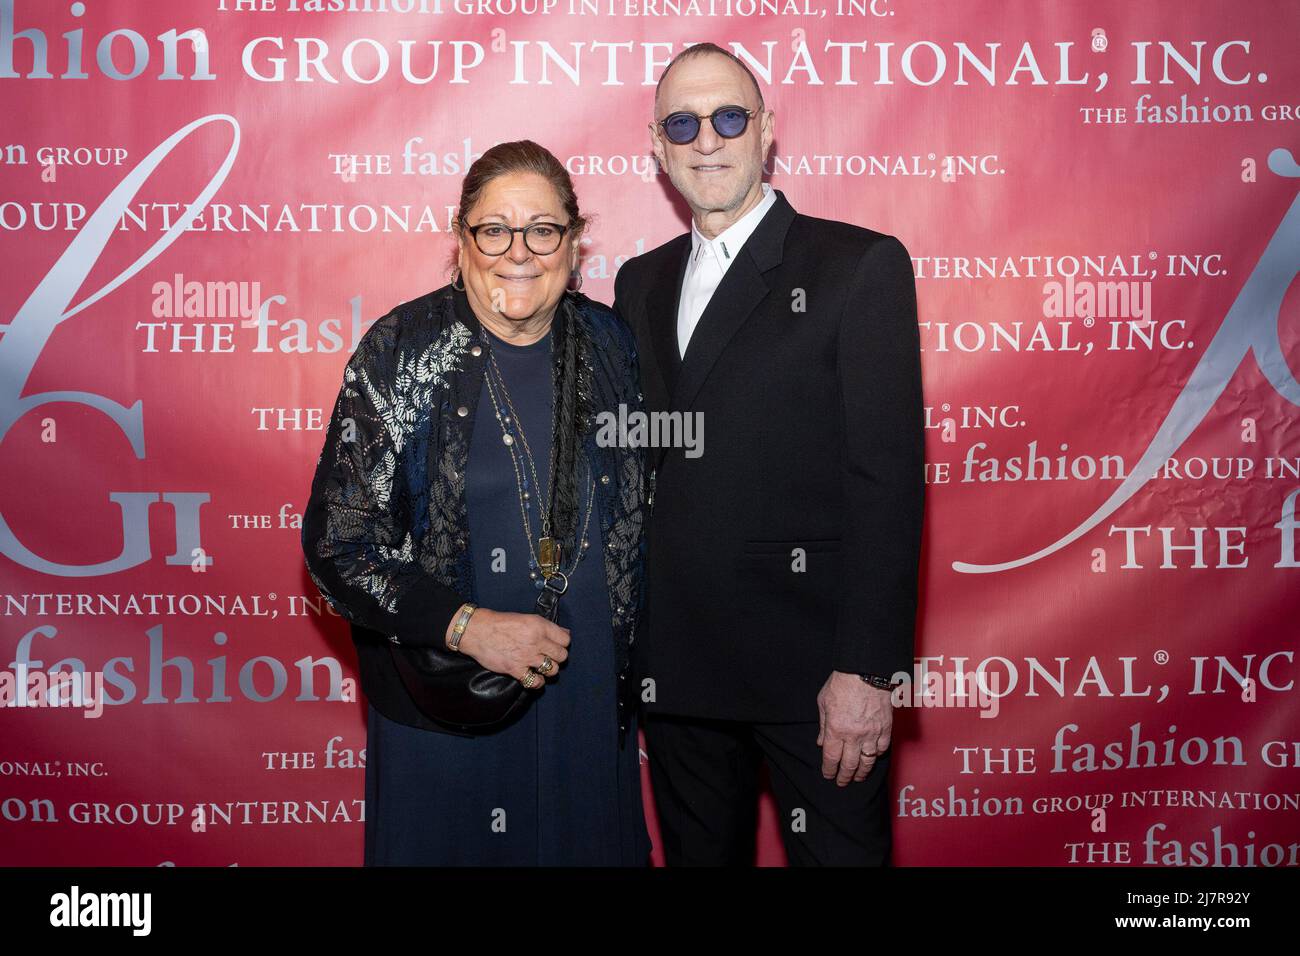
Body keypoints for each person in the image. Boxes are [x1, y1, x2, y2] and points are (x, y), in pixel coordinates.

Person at [613, 43, 925, 866]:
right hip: (676, 669)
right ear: (656, 143)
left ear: (767, 131)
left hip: (814, 675)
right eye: (683, 123)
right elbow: (647, 457)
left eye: (728, 118)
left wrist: (866, 672)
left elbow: (887, 482)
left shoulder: (856, 266)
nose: (706, 140)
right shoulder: (639, 283)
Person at [302, 140, 651, 866]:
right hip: (449, 699)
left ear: (575, 240)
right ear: (461, 238)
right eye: (494, 229)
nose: (517, 252)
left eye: (543, 230)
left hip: (585, 701)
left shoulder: (613, 343)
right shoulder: (401, 348)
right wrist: (464, 626)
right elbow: (339, 545)